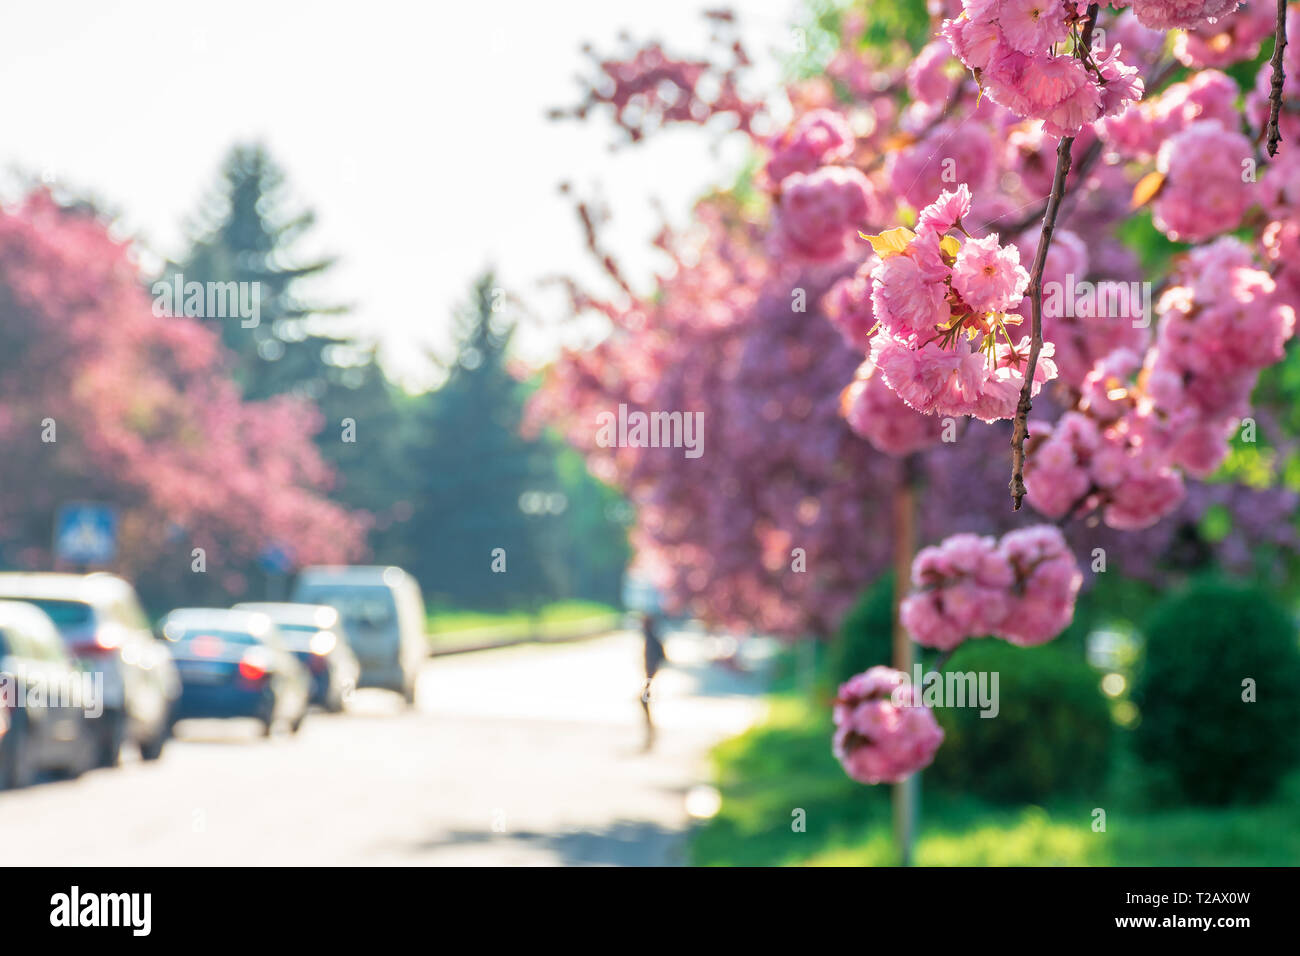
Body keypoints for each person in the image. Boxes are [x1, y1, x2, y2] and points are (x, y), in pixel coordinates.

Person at [639, 612, 665, 751]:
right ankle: (650, 728)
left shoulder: (652, 639)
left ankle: (651, 729)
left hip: (651, 678)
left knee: (644, 701)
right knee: (644, 701)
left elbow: (661, 657)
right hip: (650, 677)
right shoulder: (651, 638)